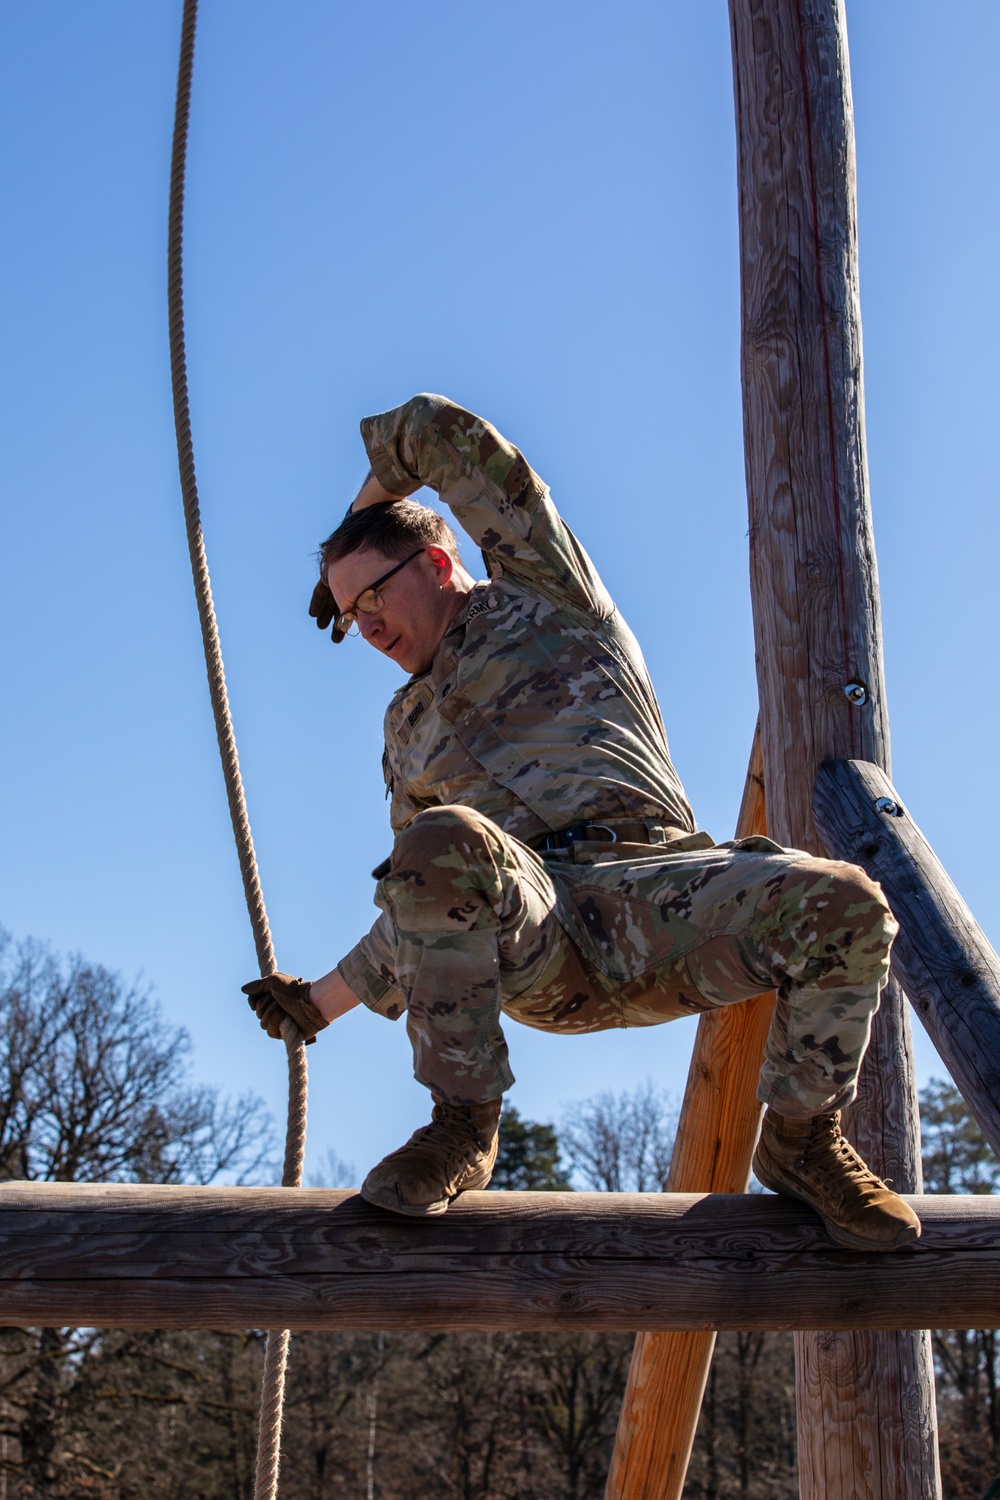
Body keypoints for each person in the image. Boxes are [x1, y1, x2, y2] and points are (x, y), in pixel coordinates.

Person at [243, 393, 920, 1251]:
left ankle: (801, 1140)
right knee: (440, 840)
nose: (364, 622)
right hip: (540, 940)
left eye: (370, 592)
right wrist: (318, 1005)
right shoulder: (404, 730)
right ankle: (463, 1126)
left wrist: (360, 512)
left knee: (848, 902)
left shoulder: (548, 598)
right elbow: (420, 908)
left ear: (438, 560)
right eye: (347, 615)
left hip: (657, 899)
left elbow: (443, 433)